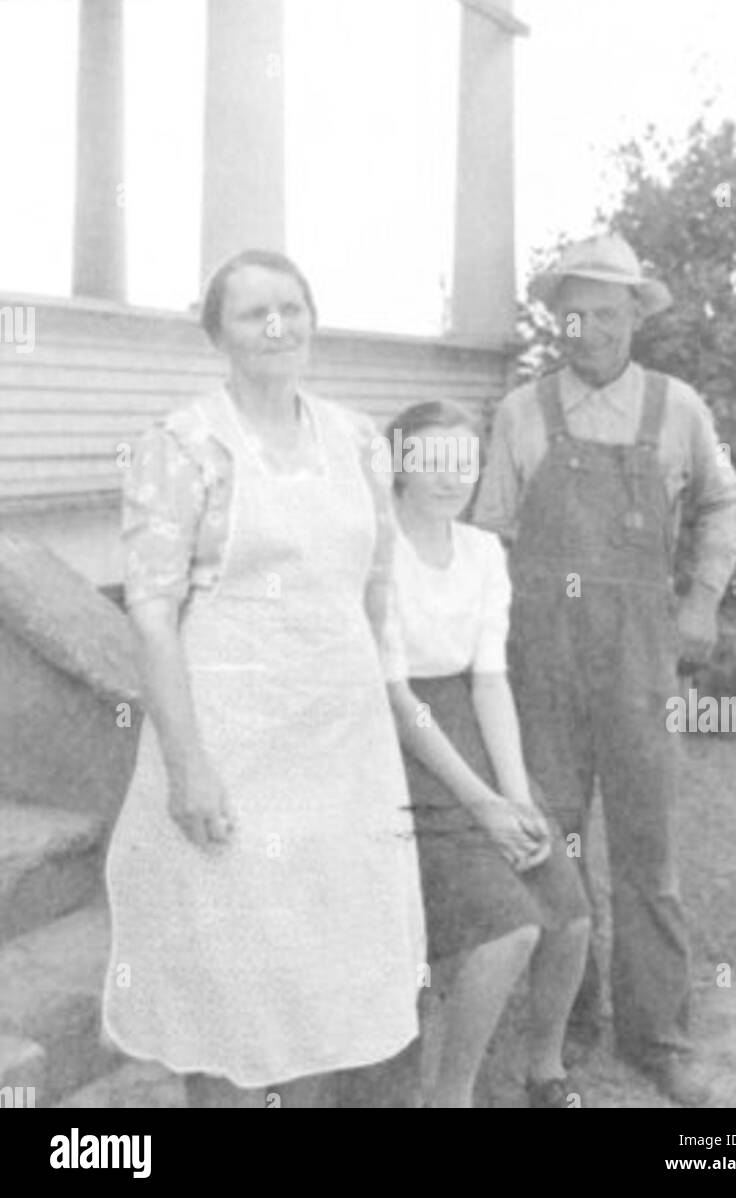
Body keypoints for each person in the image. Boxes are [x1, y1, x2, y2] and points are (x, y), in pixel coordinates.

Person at [102, 249, 427, 1108]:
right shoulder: (180, 446)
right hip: (231, 754)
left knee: (322, 982)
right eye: (254, 313)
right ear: (219, 335)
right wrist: (188, 766)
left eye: (292, 306)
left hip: (340, 757)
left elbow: (376, 589)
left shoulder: (358, 440)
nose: (278, 326)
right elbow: (151, 615)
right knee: (231, 985)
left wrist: (389, 719)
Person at [473, 233, 736, 1107]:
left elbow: (723, 503)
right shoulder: (522, 412)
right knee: (553, 845)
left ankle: (659, 1036)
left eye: (602, 310)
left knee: (649, 853)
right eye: (570, 312)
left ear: (636, 314)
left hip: (641, 660)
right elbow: (489, 539)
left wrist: (702, 601)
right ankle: (570, 1023)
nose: (584, 326)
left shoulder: (679, 409)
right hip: (541, 660)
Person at [382, 400, 590, 1109]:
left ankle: (546, 1069)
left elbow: (490, 678)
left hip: (474, 729)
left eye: (464, 462)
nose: (451, 477)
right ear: (399, 466)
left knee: (569, 909)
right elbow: (395, 694)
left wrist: (517, 798)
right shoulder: (376, 552)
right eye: (433, 460)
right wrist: (482, 805)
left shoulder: (481, 552)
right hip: (402, 743)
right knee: (509, 932)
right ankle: (449, 1095)